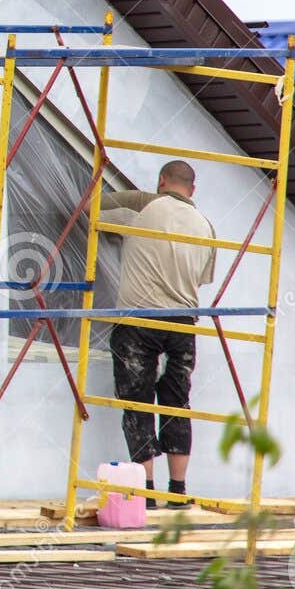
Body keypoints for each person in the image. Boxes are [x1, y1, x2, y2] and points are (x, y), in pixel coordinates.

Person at [100, 159, 215, 509]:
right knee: (177, 401)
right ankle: (177, 491)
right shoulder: (206, 226)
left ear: (161, 181)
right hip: (182, 323)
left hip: (139, 319)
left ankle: (146, 490)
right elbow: (202, 279)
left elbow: (93, 212)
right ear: (192, 190)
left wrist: (139, 198)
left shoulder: (143, 213)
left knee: (137, 401)